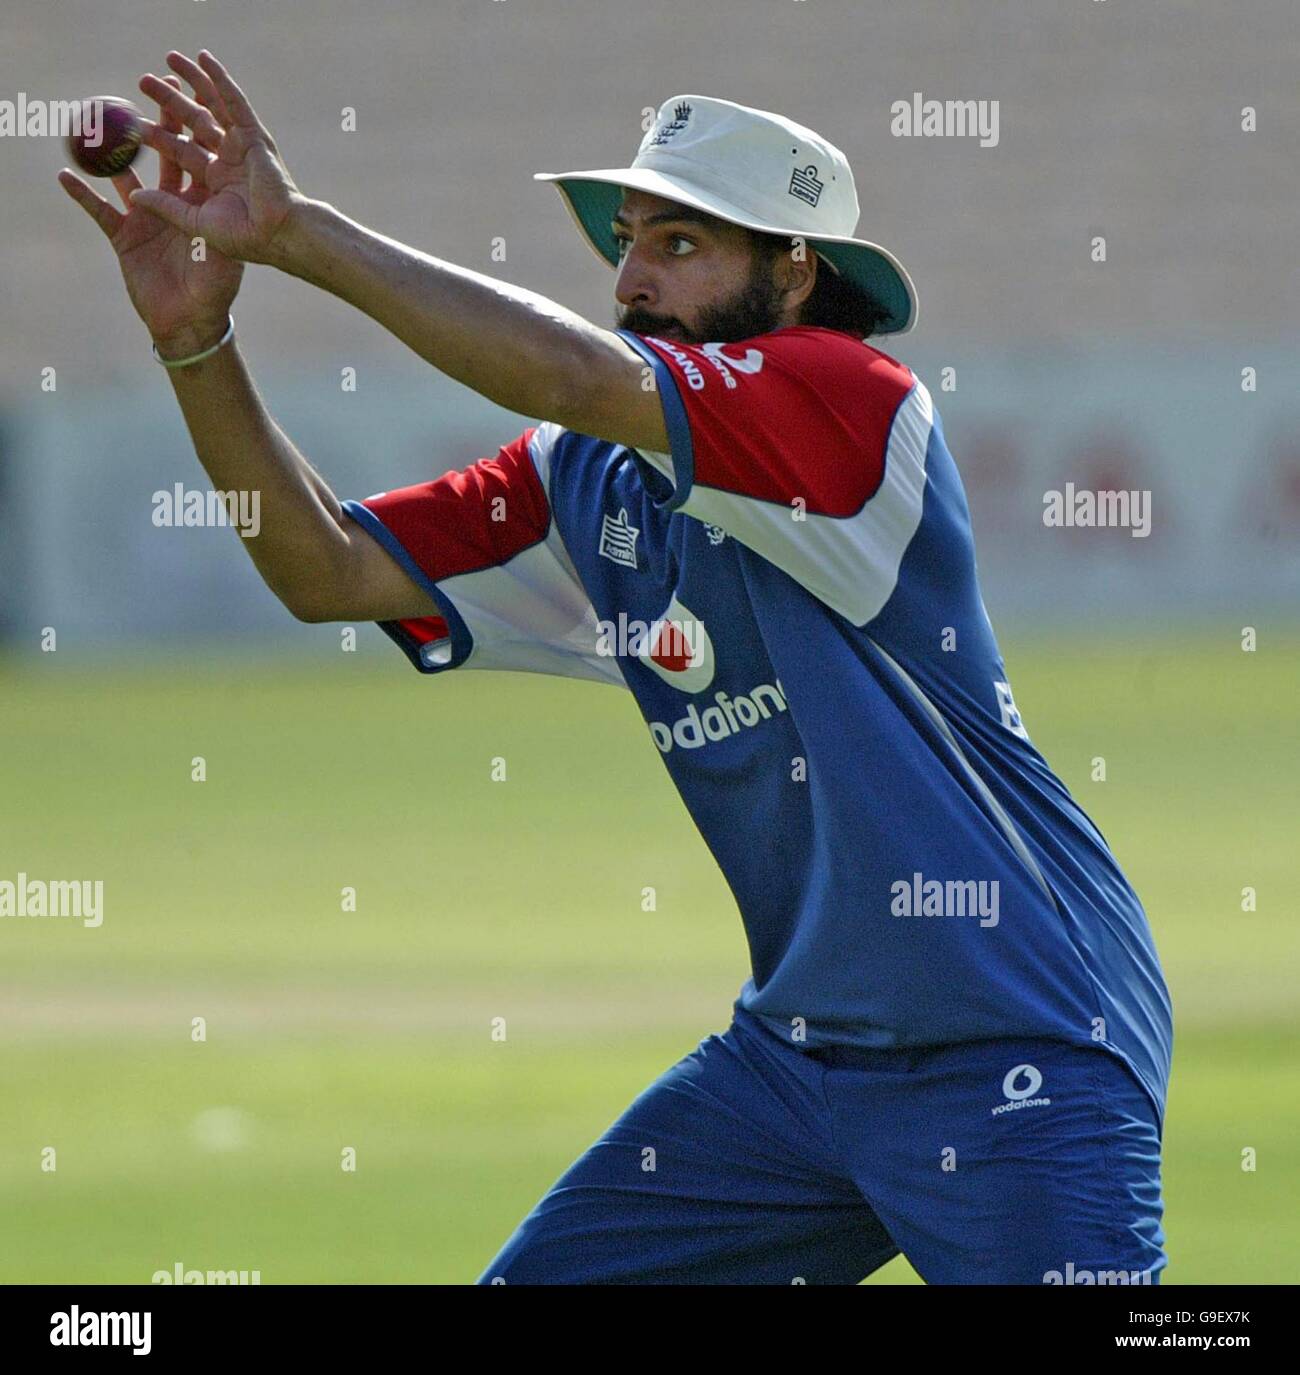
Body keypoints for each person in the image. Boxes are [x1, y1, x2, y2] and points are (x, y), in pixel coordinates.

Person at [61, 50, 1173, 1285]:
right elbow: (324, 573)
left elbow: (582, 372)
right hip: (795, 1070)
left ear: (793, 270)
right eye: (629, 238)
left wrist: (298, 236)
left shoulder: (852, 399)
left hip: (1017, 1036)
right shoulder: (579, 475)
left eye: (683, 243)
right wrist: (196, 347)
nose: (634, 275)